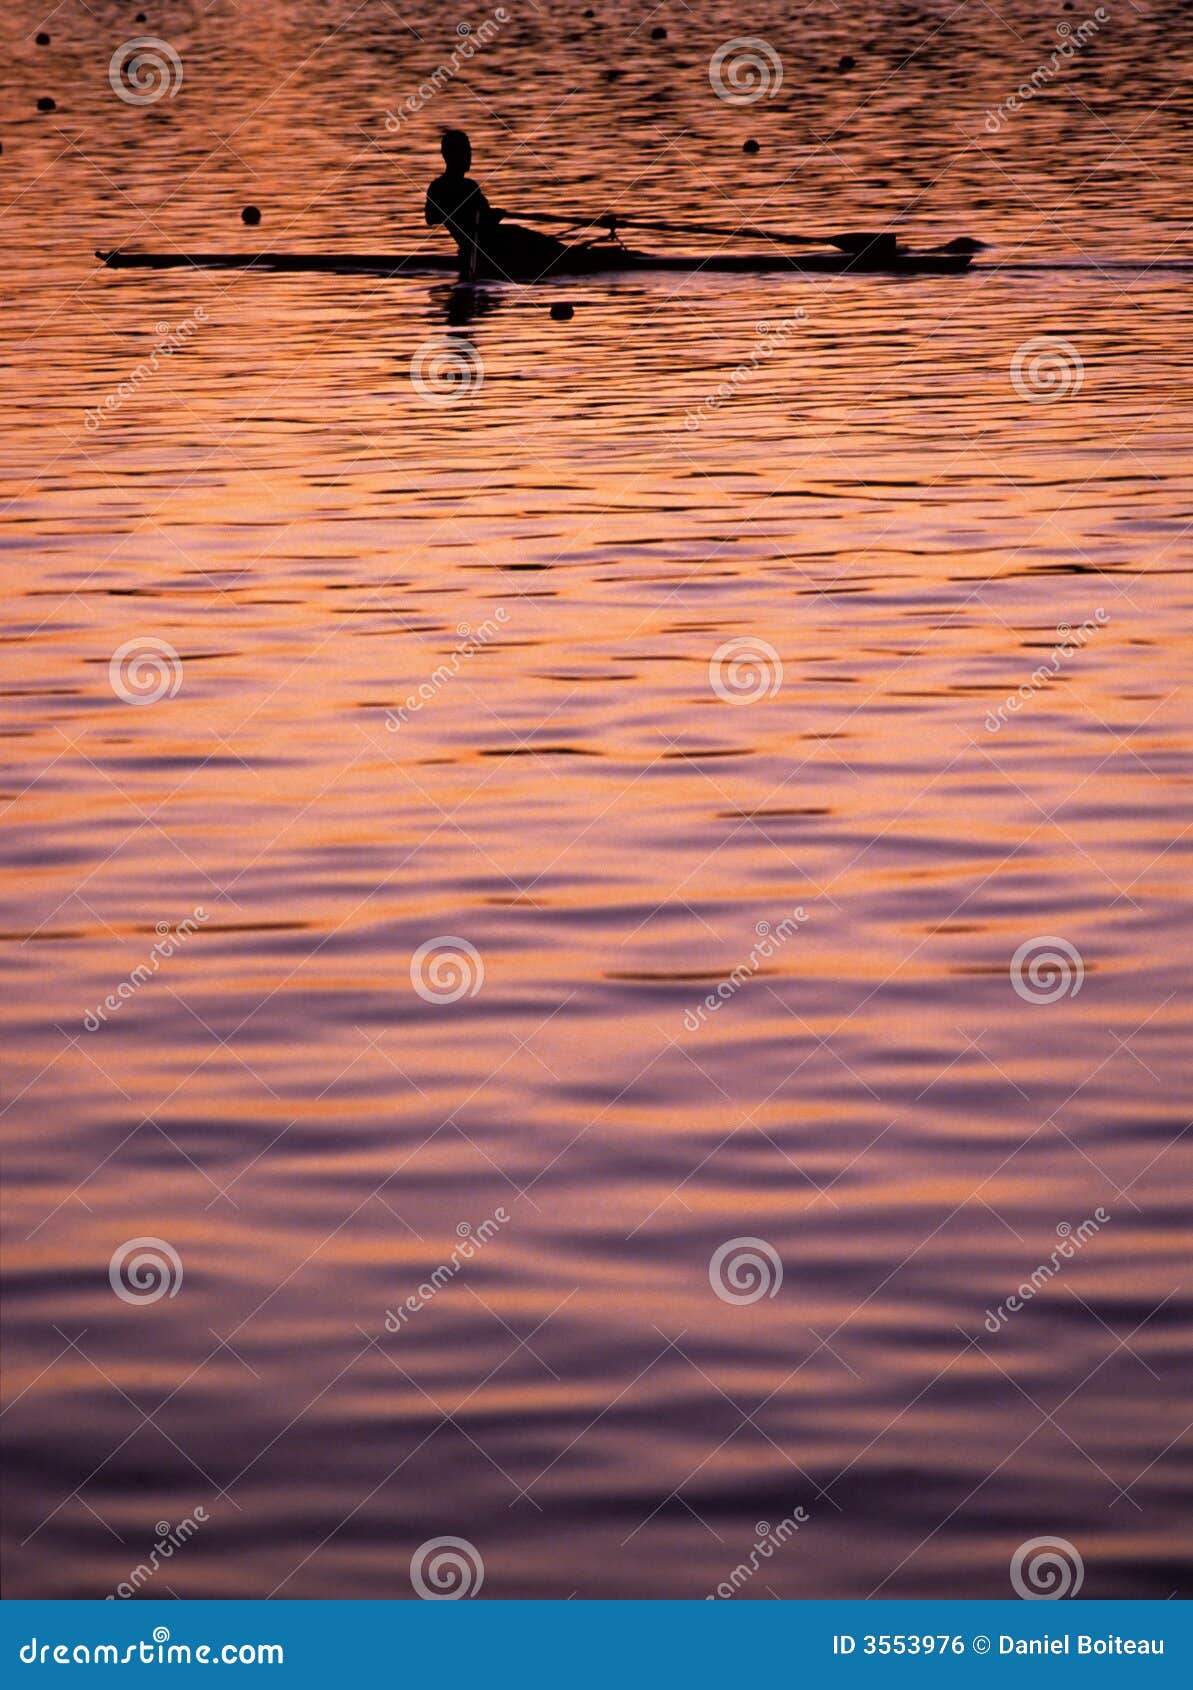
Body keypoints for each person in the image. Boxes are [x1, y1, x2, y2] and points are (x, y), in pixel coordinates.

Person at [424, 129, 566, 281]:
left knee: (538, 240)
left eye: (469, 151)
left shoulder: (469, 186)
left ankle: (568, 254)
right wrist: (459, 214)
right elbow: (431, 218)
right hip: (488, 247)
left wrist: (493, 215)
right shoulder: (441, 187)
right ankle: (570, 257)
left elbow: (485, 217)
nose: (469, 157)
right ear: (450, 156)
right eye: (465, 152)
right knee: (534, 242)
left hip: (492, 241)